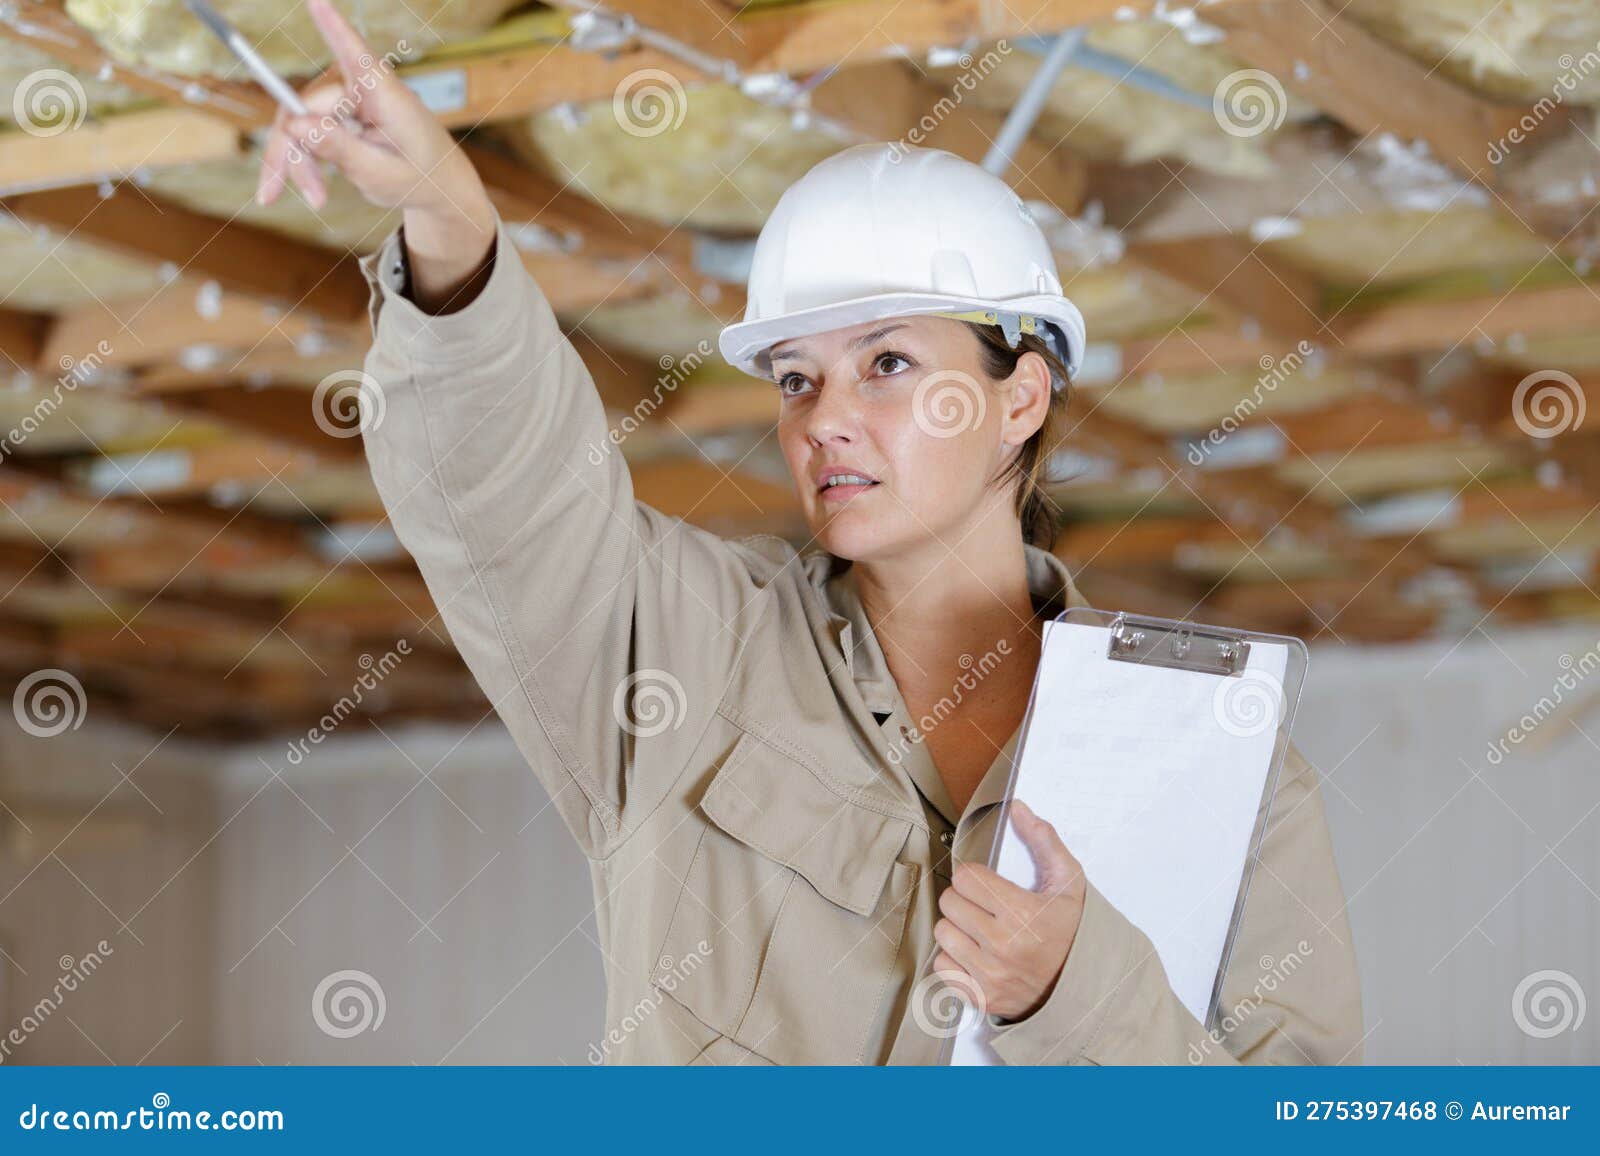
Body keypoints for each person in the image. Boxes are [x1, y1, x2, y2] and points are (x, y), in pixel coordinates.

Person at [260, 0, 1363, 1064]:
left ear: (1019, 398)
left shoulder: (1218, 760)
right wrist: (452, 221)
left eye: (887, 362)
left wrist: (1071, 996)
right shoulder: (677, 651)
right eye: (797, 378)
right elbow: (503, 494)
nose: (823, 418)